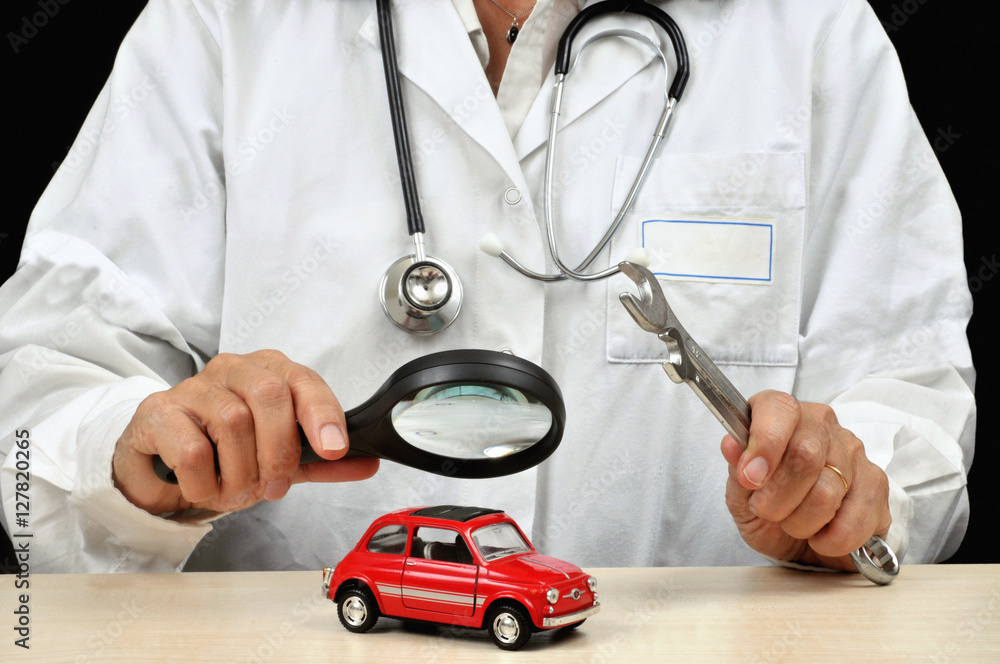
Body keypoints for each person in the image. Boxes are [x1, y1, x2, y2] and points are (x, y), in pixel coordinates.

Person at [0, 0, 975, 573]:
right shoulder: (220, 22)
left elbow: (910, 402)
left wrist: (839, 497)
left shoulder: (809, 30)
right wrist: (138, 462)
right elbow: (38, 399)